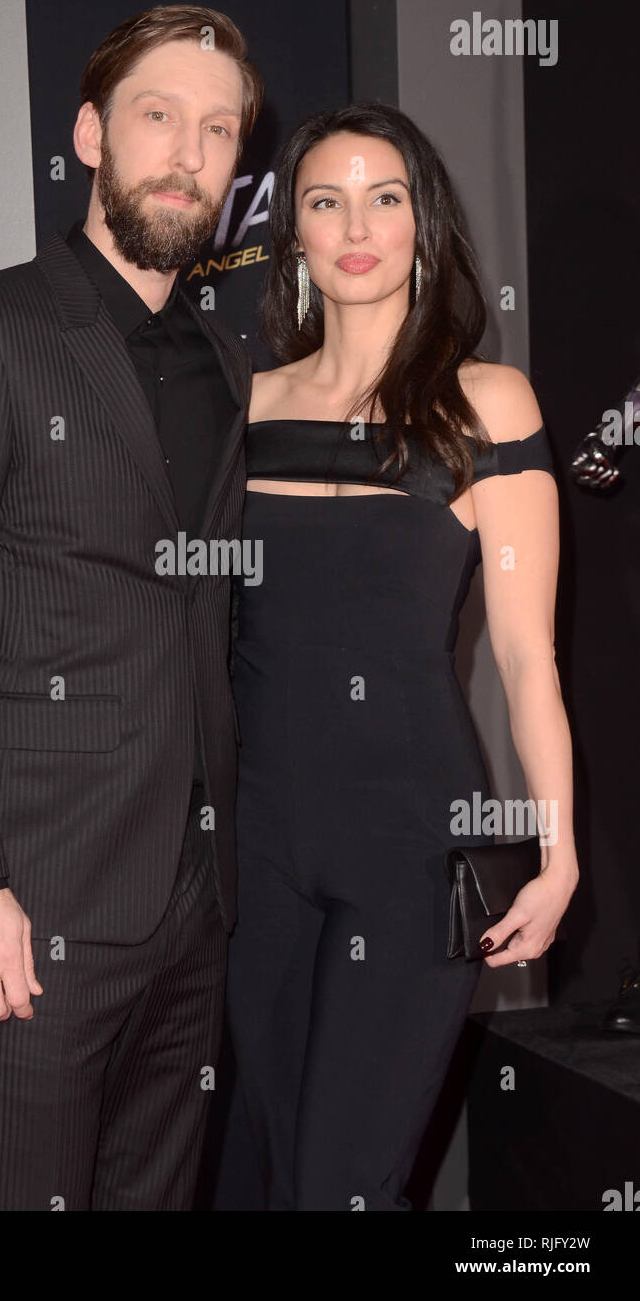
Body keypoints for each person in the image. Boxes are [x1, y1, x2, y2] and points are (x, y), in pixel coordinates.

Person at [0, 3, 263, 1210]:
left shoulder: (226, 364)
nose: (189, 153)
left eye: (219, 130)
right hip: (29, 911)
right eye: (158, 116)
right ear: (91, 133)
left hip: (196, 914)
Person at [217, 102, 579, 1211]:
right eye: (326, 200)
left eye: (386, 197)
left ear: (424, 223)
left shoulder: (488, 403)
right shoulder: (247, 402)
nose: (356, 225)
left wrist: (556, 853)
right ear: (296, 235)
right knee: (264, 1175)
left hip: (413, 850)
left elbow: (526, 657)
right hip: (256, 851)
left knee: (344, 1187)